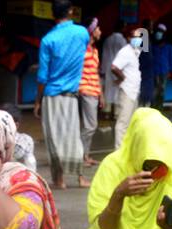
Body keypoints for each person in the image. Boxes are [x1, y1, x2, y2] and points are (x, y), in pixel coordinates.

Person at [35, 1, 89, 190]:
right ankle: (81, 178)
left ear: (52, 14)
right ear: (71, 11)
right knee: (73, 135)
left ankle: (59, 180)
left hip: (51, 95)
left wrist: (37, 101)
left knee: (54, 137)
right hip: (71, 96)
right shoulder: (82, 33)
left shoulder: (48, 40)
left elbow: (43, 75)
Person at [109, 26, 142, 147]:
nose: (138, 39)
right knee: (122, 123)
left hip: (133, 92)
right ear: (128, 38)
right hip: (127, 91)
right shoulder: (125, 51)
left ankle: (126, 150)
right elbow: (114, 67)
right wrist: (122, 78)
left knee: (130, 123)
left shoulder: (136, 51)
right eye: (135, 37)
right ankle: (119, 151)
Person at [79, 19, 102, 167]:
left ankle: (85, 156)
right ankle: (80, 156)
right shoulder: (83, 49)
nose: (100, 31)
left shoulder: (94, 51)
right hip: (86, 89)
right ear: (92, 32)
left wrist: (101, 95)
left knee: (89, 126)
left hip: (94, 91)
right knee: (90, 126)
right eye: (98, 29)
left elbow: (96, 73)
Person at [100, 23, 127, 118]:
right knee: (117, 90)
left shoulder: (108, 40)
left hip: (108, 68)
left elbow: (104, 55)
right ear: (122, 28)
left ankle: (106, 111)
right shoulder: (123, 41)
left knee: (108, 89)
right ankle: (116, 113)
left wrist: (102, 70)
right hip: (119, 69)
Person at [151, 23, 172, 109]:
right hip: (154, 71)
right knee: (154, 90)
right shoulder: (152, 46)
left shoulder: (168, 47)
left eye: (161, 32)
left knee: (162, 89)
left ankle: (160, 106)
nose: (159, 34)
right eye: (158, 32)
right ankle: (153, 106)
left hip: (164, 71)